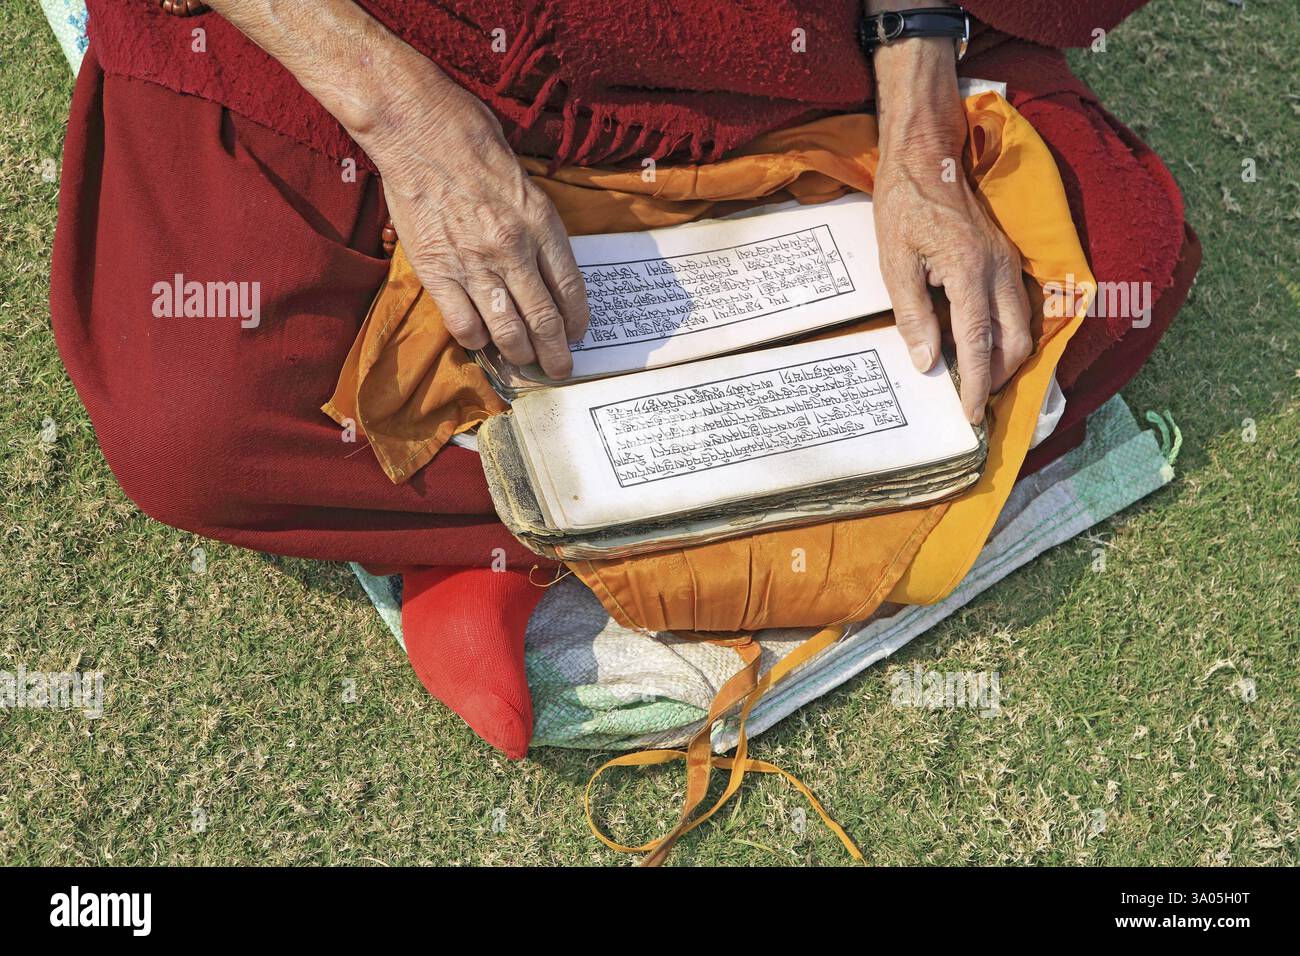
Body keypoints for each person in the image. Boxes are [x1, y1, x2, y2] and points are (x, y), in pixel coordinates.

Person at [50, 0, 1199, 757]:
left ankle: (524, 527)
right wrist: (407, 123)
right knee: (193, 416)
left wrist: (916, 128)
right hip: (392, 37)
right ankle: (541, 522)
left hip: (768, 53)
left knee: (1099, 274)